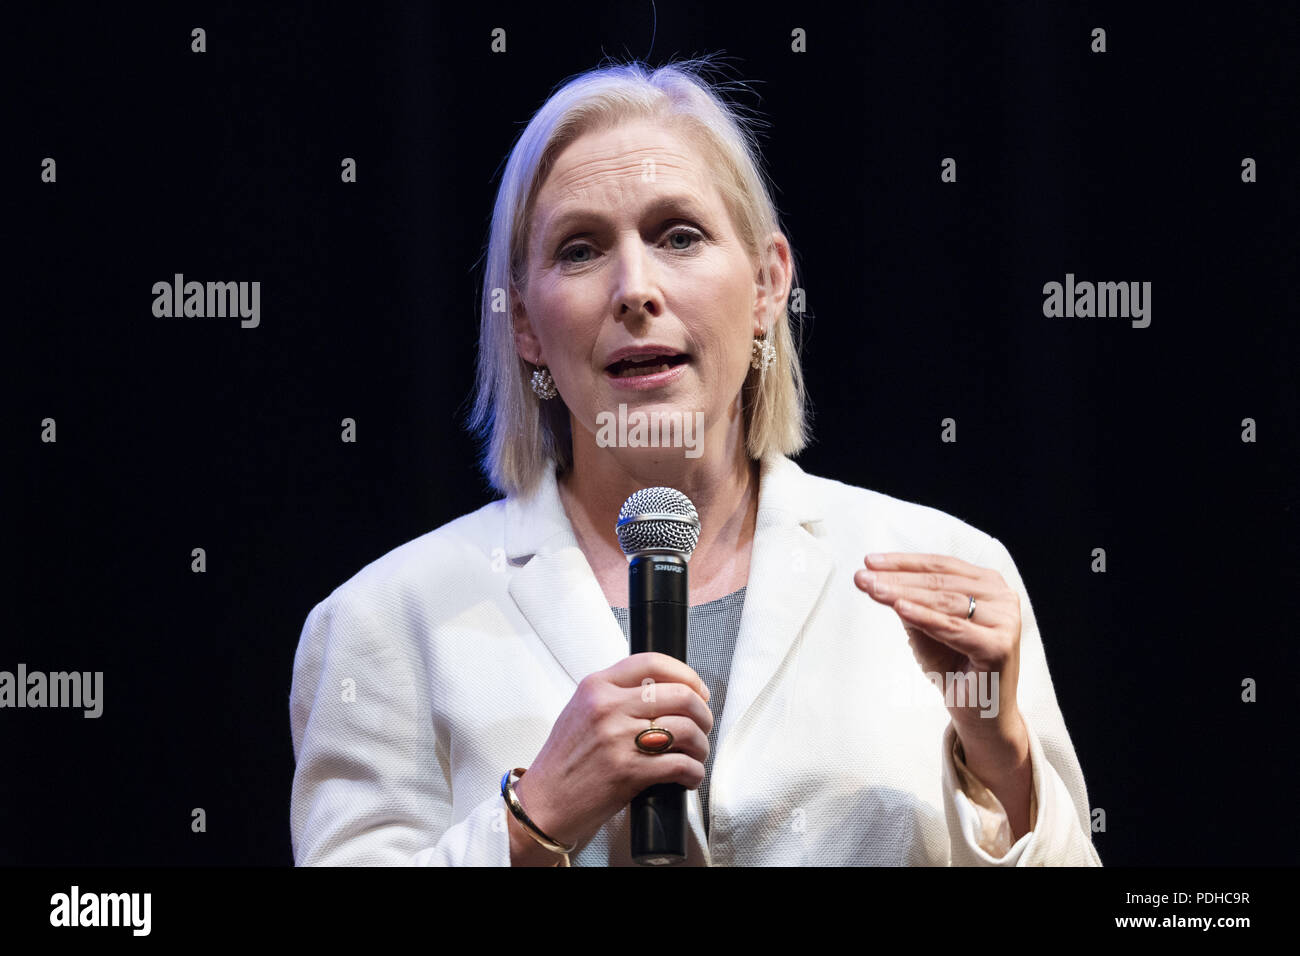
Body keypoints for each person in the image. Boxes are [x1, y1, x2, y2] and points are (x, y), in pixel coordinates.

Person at [289, 56, 1102, 866]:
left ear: (765, 285)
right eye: (579, 250)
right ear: (525, 323)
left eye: (679, 235)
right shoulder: (385, 622)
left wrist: (1005, 757)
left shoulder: (948, 571)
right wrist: (532, 821)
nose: (634, 288)